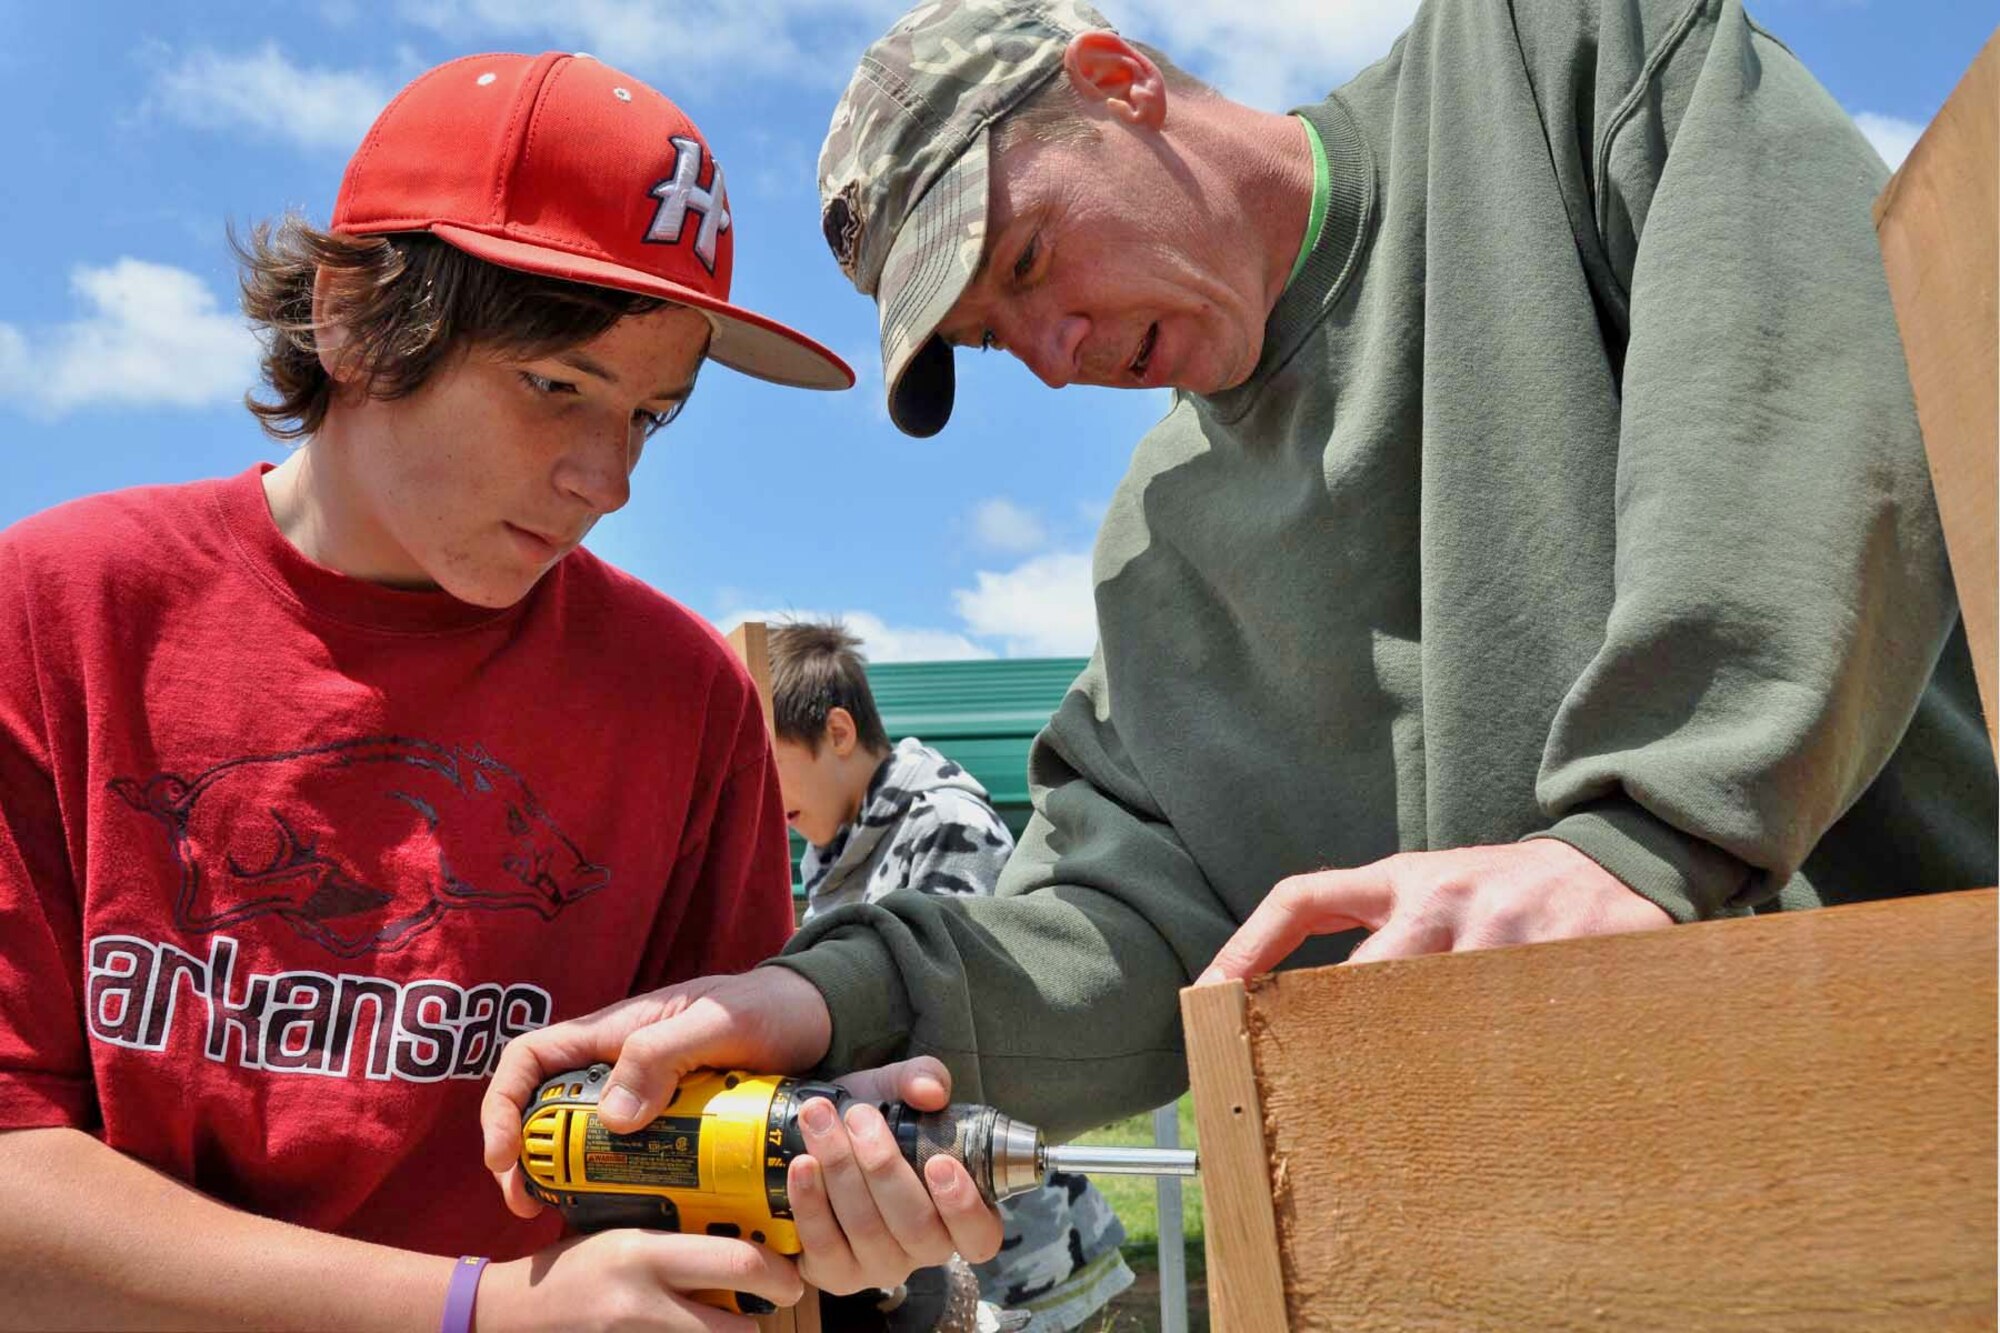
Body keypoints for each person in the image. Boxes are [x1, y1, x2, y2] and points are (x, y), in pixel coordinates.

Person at [481, 0, 1996, 1246]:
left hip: (1920, 1107)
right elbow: (1126, 924)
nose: (1056, 355)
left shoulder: (1547, 59)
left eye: (1028, 261)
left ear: (1117, 79)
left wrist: (1646, 838)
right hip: (1551, 1231)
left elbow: (1808, 389)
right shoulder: (1157, 545)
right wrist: (822, 998)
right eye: (998, 342)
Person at [0, 50, 1001, 1332]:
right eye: (556, 386)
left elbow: (689, 1153)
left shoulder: (681, 699)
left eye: (648, 415)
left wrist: (814, 1198)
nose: (607, 480)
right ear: (354, 321)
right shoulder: (58, 613)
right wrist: (473, 1311)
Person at [768, 620, 1133, 1331]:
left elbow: (960, 1020)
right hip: (920, 1239)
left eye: (769, 761)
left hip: (1012, 1248)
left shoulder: (946, 822)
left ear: (837, 732)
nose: (761, 791)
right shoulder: (835, 857)